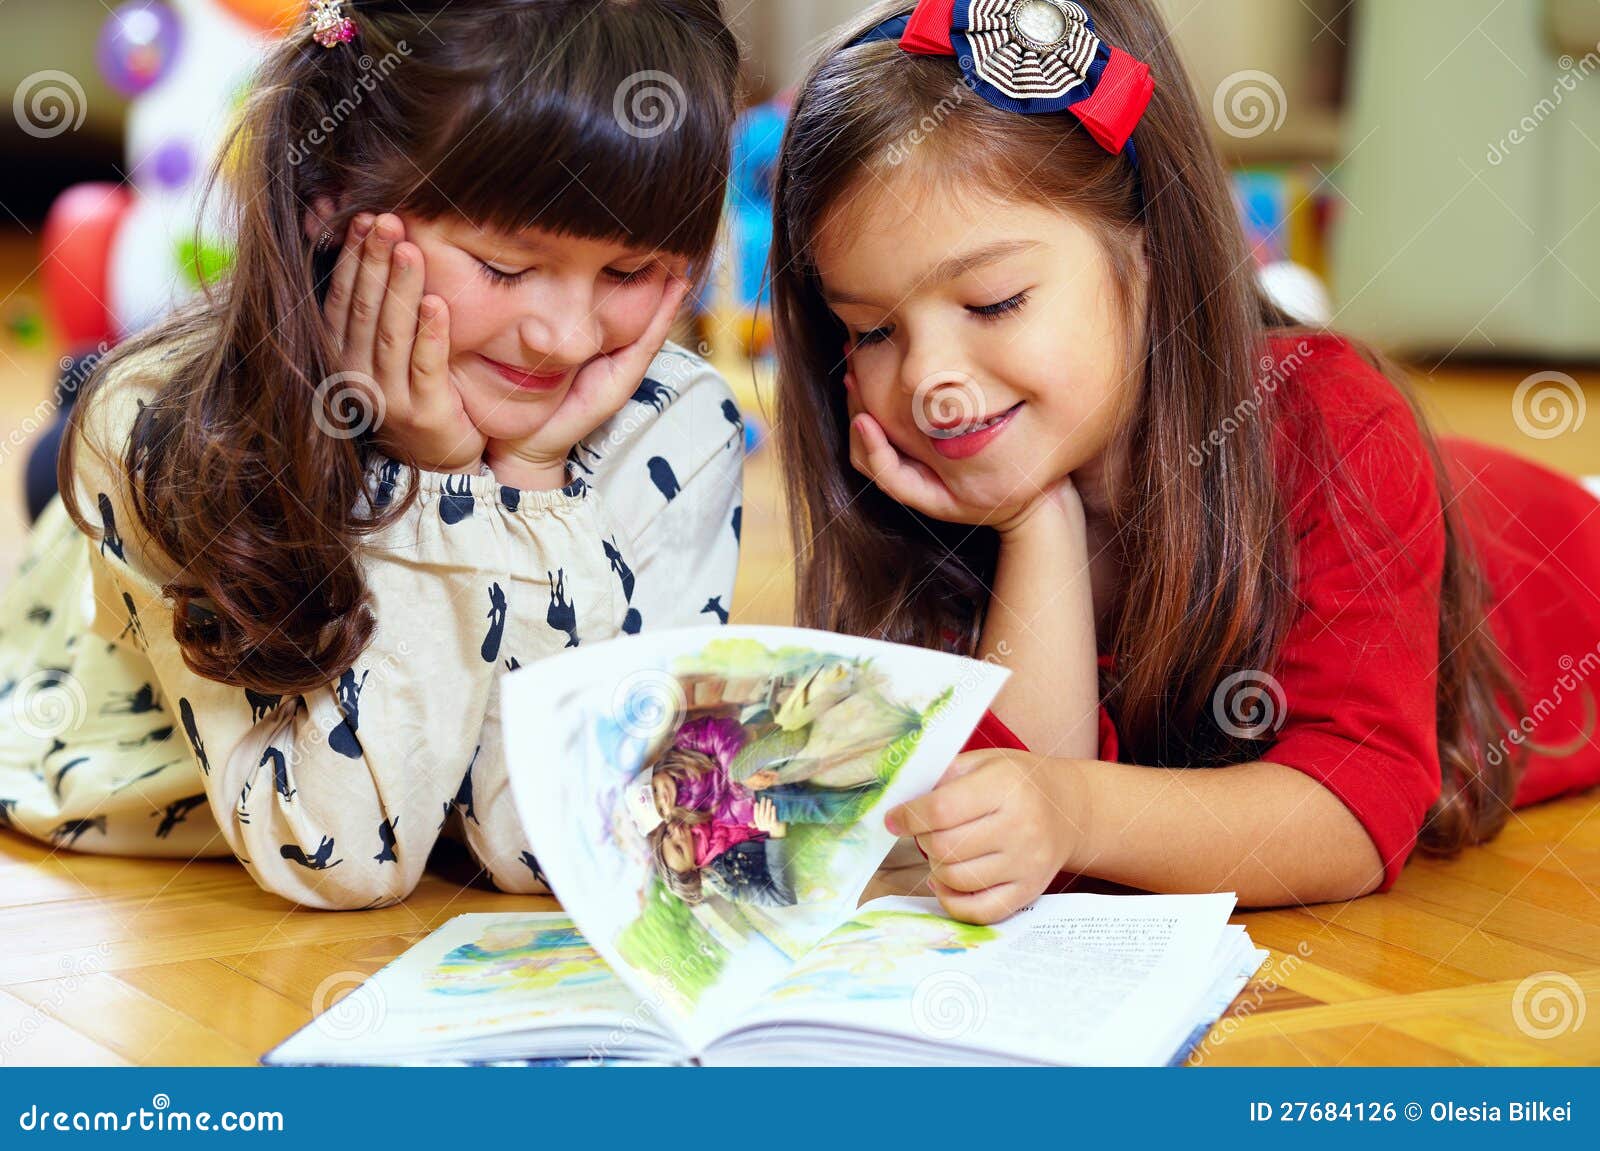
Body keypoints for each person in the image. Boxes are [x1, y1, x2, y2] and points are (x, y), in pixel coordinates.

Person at [769, 0, 1600, 922]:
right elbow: (1004, 814)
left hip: (1569, 558)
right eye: (873, 330)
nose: (928, 379)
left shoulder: (1333, 427)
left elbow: (1353, 815)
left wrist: (1077, 811)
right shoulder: (939, 491)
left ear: (1153, 248)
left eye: (995, 303)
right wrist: (1034, 518)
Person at [0, 0, 744, 911]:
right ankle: (54, 470)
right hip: (121, 571)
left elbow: (550, 844)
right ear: (333, 201)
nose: (563, 336)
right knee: (76, 449)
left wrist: (520, 483)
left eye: (629, 274)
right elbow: (343, 855)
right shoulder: (155, 431)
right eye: (506, 267)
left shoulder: (677, 424)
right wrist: (431, 479)